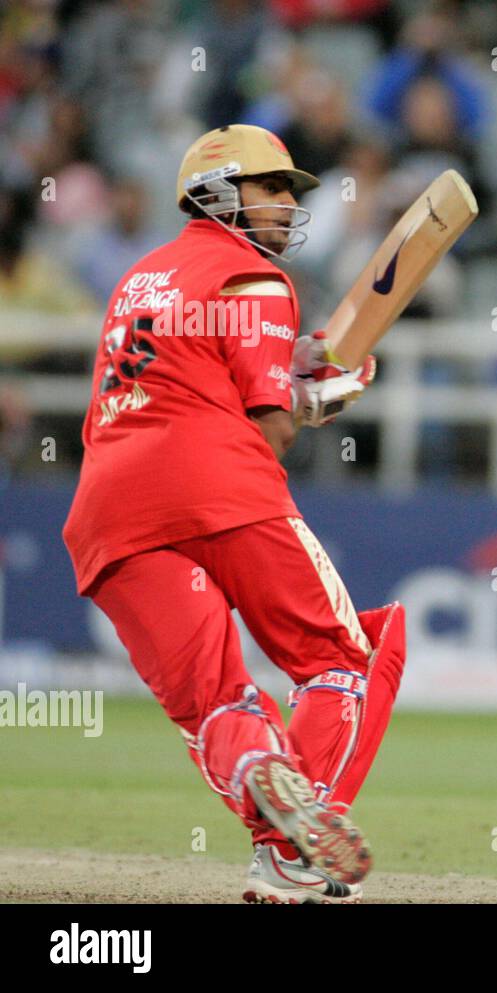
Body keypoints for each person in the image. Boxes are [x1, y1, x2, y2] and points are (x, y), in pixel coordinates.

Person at [62, 124, 405, 904]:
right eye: (271, 187)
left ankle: (264, 780)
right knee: (342, 660)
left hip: (107, 513)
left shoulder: (139, 275)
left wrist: (302, 363)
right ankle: (287, 851)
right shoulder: (255, 276)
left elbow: (194, 365)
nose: (287, 205)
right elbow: (267, 424)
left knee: (221, 703)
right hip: (216, 485)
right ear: (219, 193)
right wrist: (317, 399)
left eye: (291, 192)